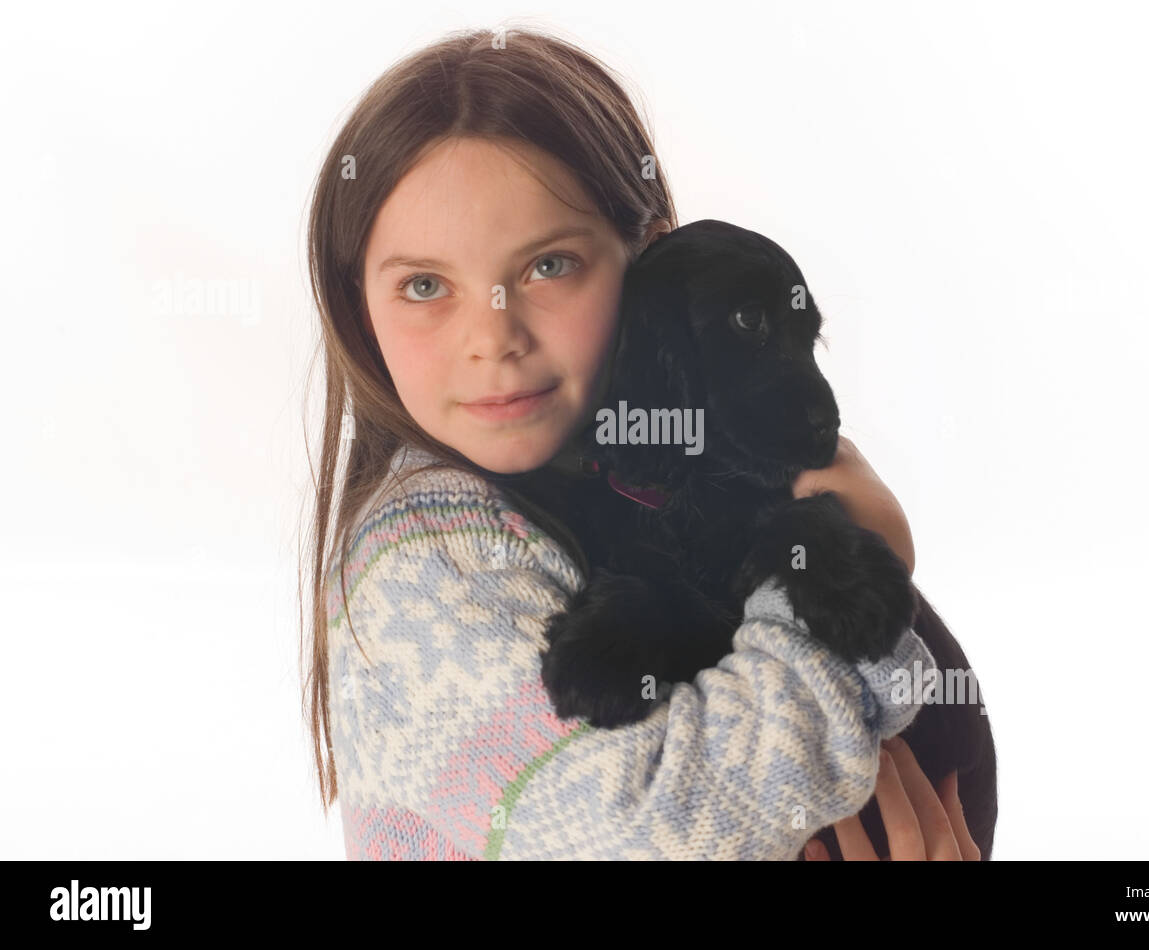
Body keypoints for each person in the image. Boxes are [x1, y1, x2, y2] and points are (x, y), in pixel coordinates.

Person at [300, 25, 961, 860]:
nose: (492, 337)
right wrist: (842, 571)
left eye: (548, 267)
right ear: (357, 301)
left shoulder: (647, 472)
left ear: (647, 261)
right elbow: (638, 827)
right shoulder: (426, 555)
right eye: (425, 286)